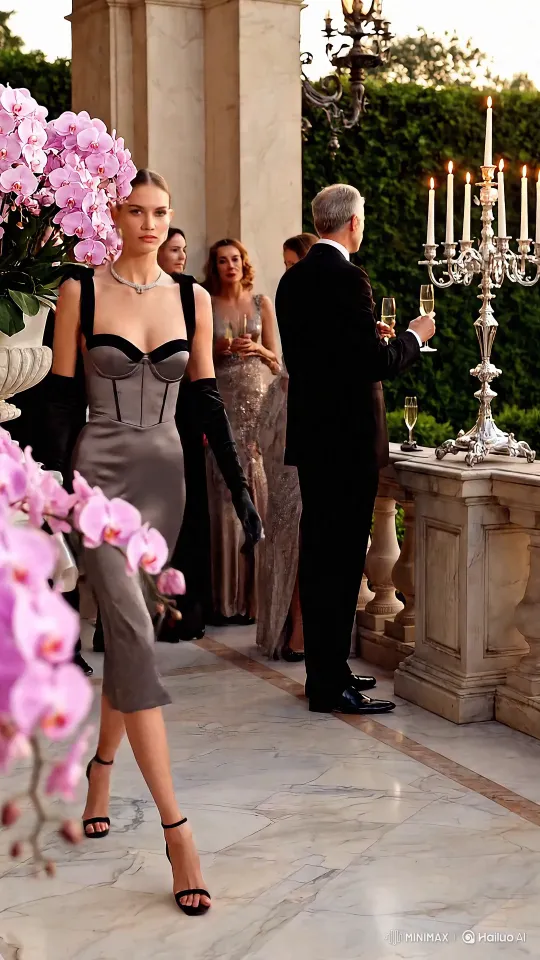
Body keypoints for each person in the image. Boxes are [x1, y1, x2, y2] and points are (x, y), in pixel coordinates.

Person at [48, 169, 261, 915]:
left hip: (165, 482)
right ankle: (178, 832)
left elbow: (205, 401)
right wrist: (43, 494)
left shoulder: (191, 298)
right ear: (111, 215)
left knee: (129, 638)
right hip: (97, 476)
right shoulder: (80, 288)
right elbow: (54, 399)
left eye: (161, 212)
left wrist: (237, 489)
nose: (148, 222)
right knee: (135, 635)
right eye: (135, 210)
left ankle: (101, 770)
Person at [276, 183, 435, 715]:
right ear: (351, 223)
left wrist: (372, 335)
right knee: (341, 563)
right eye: (363, 217)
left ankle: (328, 669)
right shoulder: (348, 277)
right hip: (346, 445)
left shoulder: (292, 280)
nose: (363, 226)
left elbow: (327, 354)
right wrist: (412, 336)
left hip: (314, 439)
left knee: (322, 556)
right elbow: (376, 365)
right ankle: (328, 683)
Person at [203, 239, 280, 623]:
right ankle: (225, 601)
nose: (229, 265)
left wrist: (258, 352)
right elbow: (199, 358)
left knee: (259, 486)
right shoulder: (207, 302)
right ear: (214, 267)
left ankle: (254, 599)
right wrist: (220, 349)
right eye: (222, 261)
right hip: (224, 400)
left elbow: (277, 360)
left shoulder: (261, 302)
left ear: (243, 263)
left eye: (234, 259)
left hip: (256, 400)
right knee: (222, 491)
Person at [256, 234, 318, 662]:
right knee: (283, 526)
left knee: (300, 528)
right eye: (285, 263)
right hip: (281, 416)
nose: (288, 271)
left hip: (302, 416)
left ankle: (298, 627)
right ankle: (283, 626)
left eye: (294, 262)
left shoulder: (316, 297)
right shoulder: (290, 297)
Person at [156, 228, 212, 644]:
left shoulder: (193, 296)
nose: (180, 256)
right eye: (174, 250)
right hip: (137, 424)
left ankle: (185, 613)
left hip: (186, 419)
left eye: (184, 250)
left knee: (188, 517)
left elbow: (201, 374)